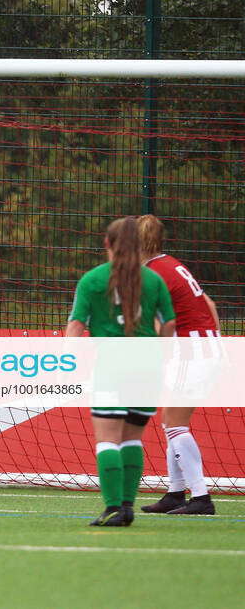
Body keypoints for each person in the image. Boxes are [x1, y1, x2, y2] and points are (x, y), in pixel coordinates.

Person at [66, 216, 176, 526]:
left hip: (112, 366)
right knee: (132, 439)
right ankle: (127, 506)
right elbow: (169, 322)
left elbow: (76, 326)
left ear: (107, 244)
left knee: (107, 439)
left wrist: (70, 363)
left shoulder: (93, 280)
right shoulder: (153, 280)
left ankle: (114, 507)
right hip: (147, 366)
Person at [137, 214, 220, 515]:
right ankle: (175, 492)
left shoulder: (152, 275)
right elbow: (209, 305)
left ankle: (201, 498)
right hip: (202, 346)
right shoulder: (171, 264)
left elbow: (162, 322)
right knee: (170, 422)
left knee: (174, 424)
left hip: (190, 351)